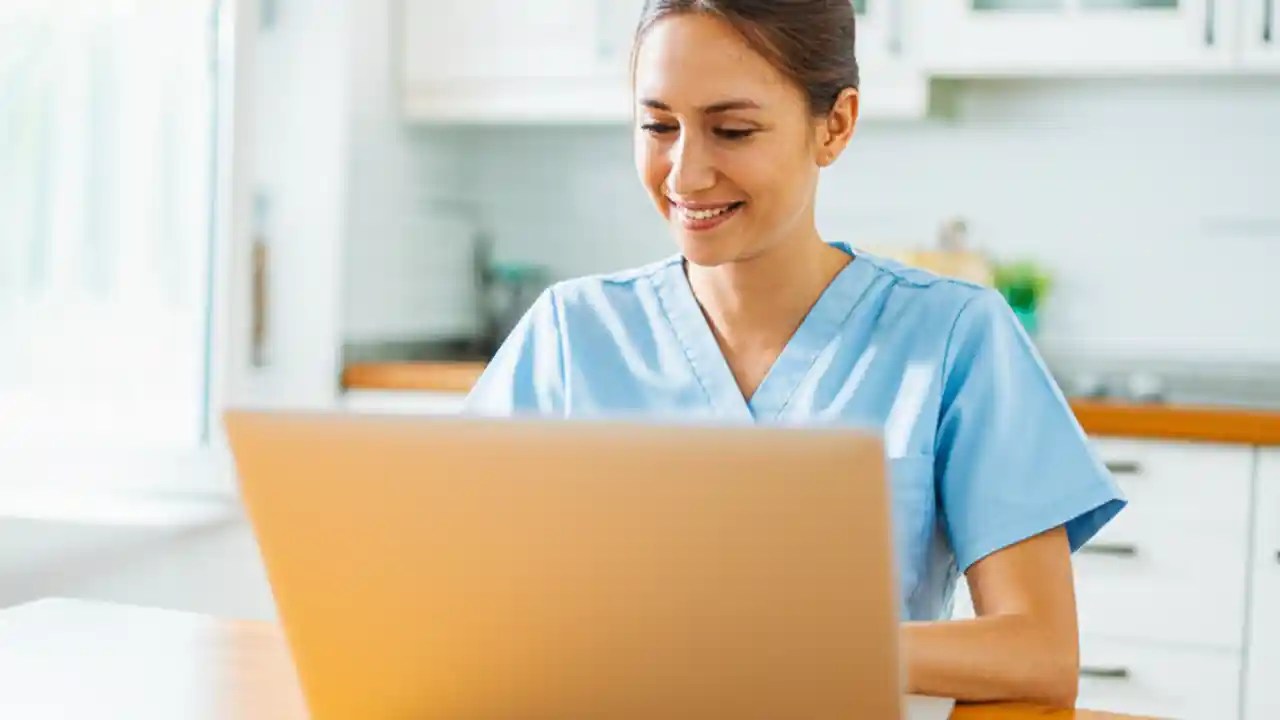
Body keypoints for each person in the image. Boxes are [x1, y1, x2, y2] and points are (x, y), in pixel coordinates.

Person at [466, 0, 1124, 707]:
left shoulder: (954, 336)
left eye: (733, 130)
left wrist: (783, 646)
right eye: (658, 126)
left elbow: (1038, 653)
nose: (685, 175)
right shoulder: (571, 334)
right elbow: (454, 601)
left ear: (835, 125)